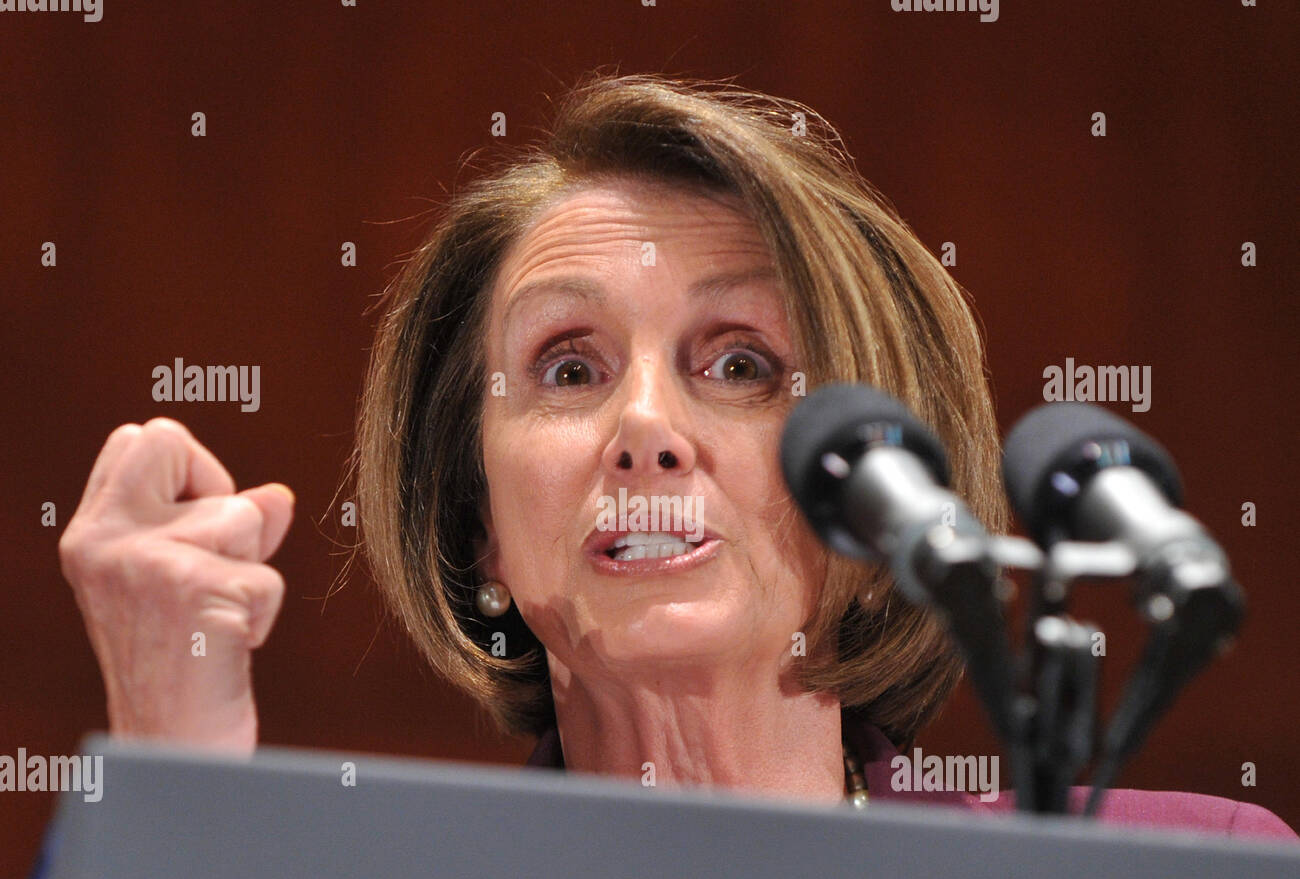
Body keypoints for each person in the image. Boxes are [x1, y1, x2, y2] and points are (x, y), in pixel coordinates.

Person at [59, 71, 1296, 839]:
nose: (645, 426)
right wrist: (174, 765)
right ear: (476, 520)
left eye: (742, 364)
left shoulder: (1190, 878)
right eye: (569, 367)